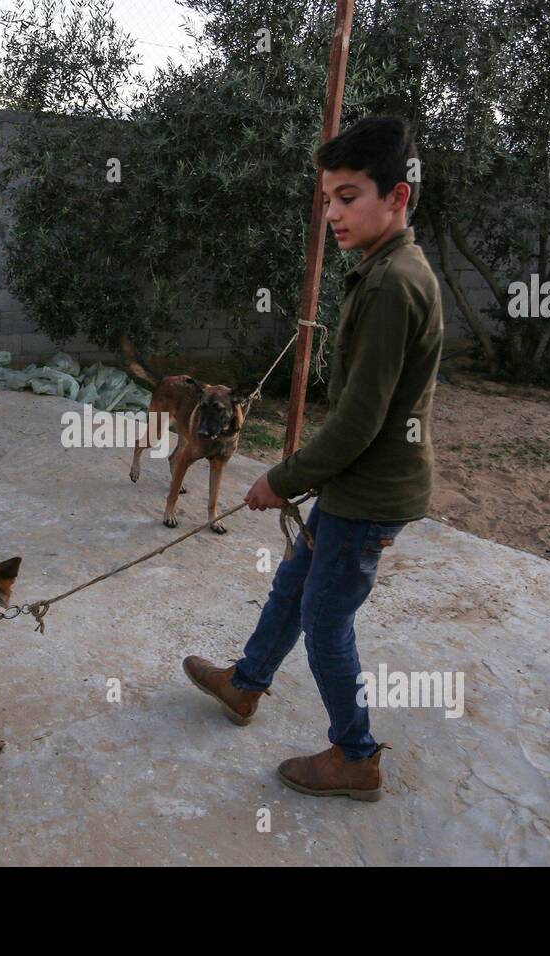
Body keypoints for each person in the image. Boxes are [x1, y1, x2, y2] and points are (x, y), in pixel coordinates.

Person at [182, 117, 443, 801]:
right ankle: (245, 685)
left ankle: (355, 756)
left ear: (398, 198)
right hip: (355, 485)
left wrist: (281, 478)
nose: (331, 214)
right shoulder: (385, 270)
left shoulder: (393, 285)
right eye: (328, 198)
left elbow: (359, 422)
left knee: (327, 623)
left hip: (371, 493)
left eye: (348, 197)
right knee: (294, 585)